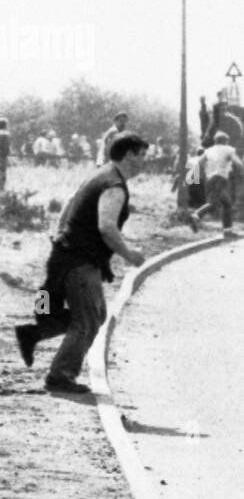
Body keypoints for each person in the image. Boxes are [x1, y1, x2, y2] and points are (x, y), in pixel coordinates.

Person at [14, 132, 149, 393]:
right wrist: (129, 254)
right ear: (129, 155)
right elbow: (106, 227)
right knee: (87, 321)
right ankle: (60, 376)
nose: (145, 161)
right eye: (142, 155)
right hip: (79, 262)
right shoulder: (114, 185)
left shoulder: (101, 174)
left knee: (93, 315)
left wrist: (60, 232)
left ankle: (32, 334)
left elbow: (69, 202)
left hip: (66, 256)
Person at [188, 131, 243, 235]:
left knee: (227, 203)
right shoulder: (229, 149)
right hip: (220, 178)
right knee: (214, 204)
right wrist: (241, 171)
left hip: (209, 180)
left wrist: (200, 175)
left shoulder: (208, 151)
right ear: (225, 141)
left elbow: (198, 163)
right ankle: (195, 215)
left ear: (216, 141)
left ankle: (227, 231)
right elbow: (237, 163)